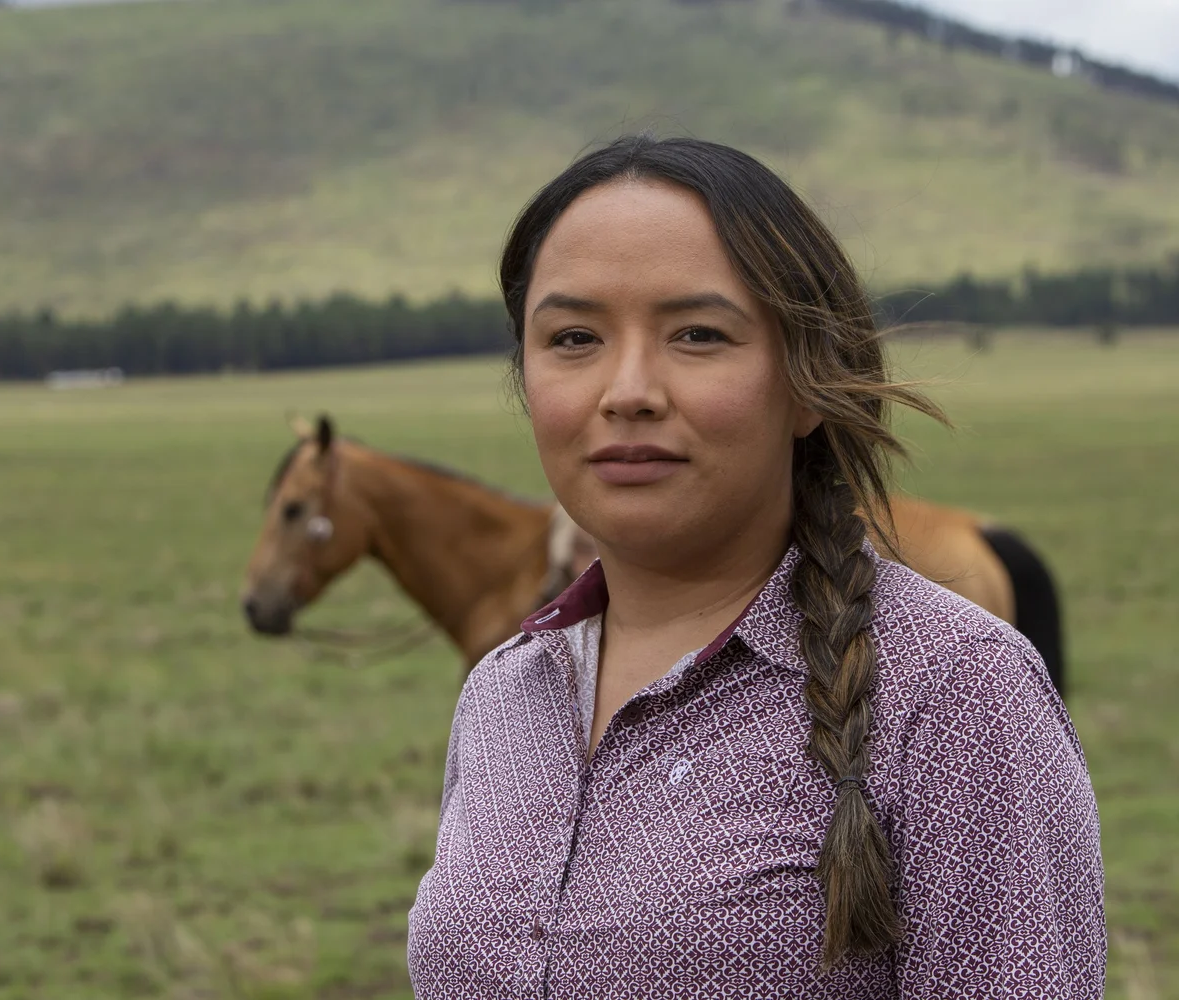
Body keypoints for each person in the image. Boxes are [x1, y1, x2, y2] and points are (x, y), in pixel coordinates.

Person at [407, 135, 1105, 998]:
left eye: (698, 334)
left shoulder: (955, 695)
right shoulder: (500, 698)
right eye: (574, 336)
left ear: (810, 381)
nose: (627, 390)